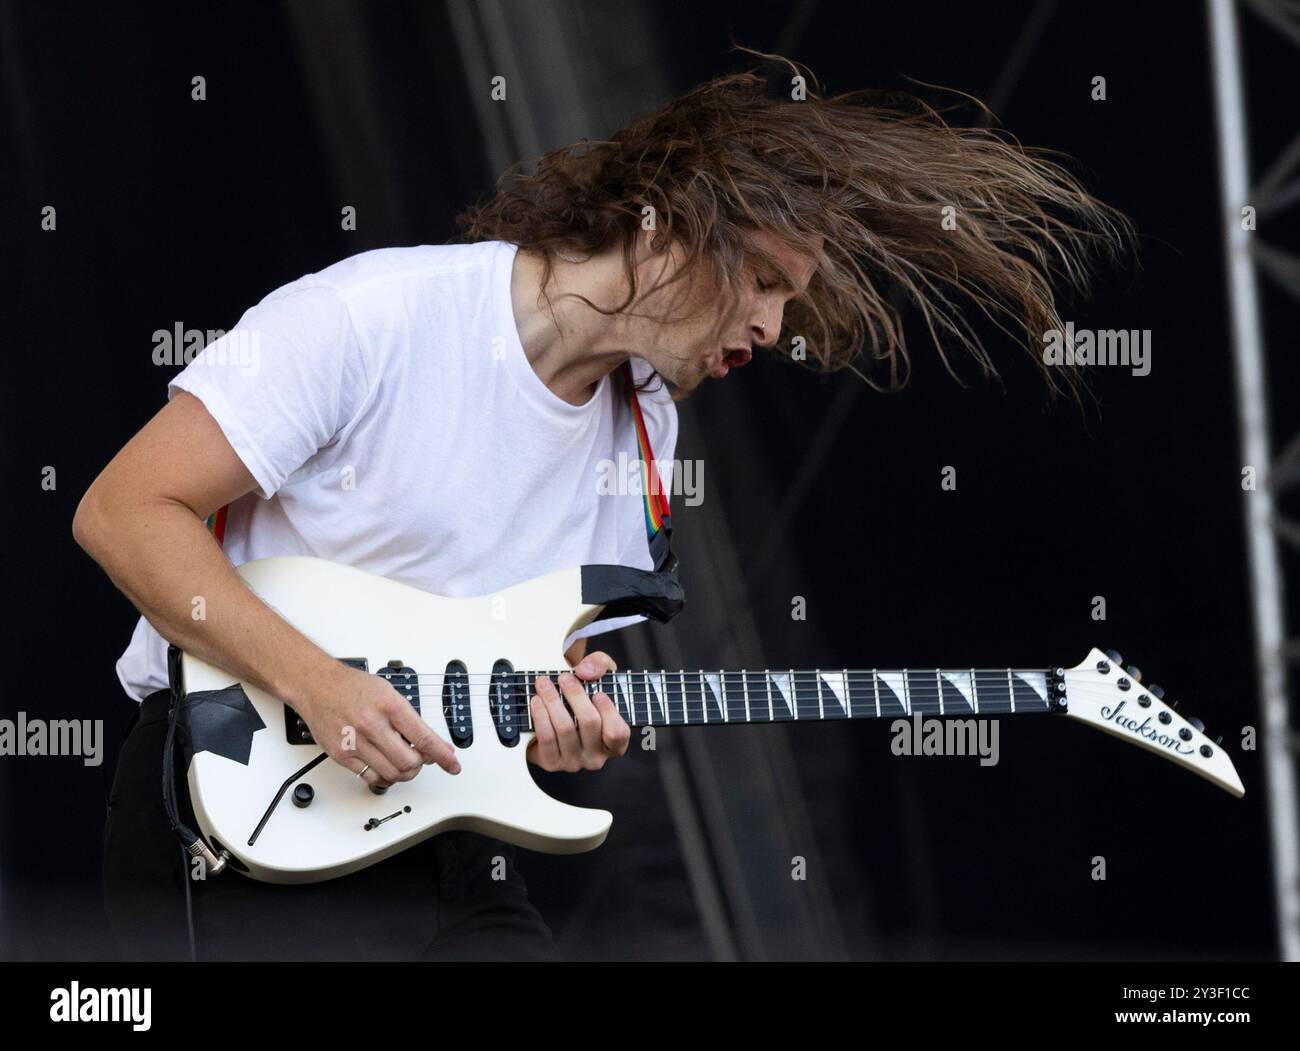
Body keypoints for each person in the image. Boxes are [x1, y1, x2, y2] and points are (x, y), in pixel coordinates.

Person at [73, 55, 1127, 961]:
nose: (767, 326)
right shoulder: (375, 315)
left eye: (787, 302)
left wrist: (563, 724)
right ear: (666, 223)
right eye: (762, 279)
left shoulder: (648, 437)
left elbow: (514, 675)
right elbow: (123, 511)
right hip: (245, 799)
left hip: (441, 832)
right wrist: (320, 682)